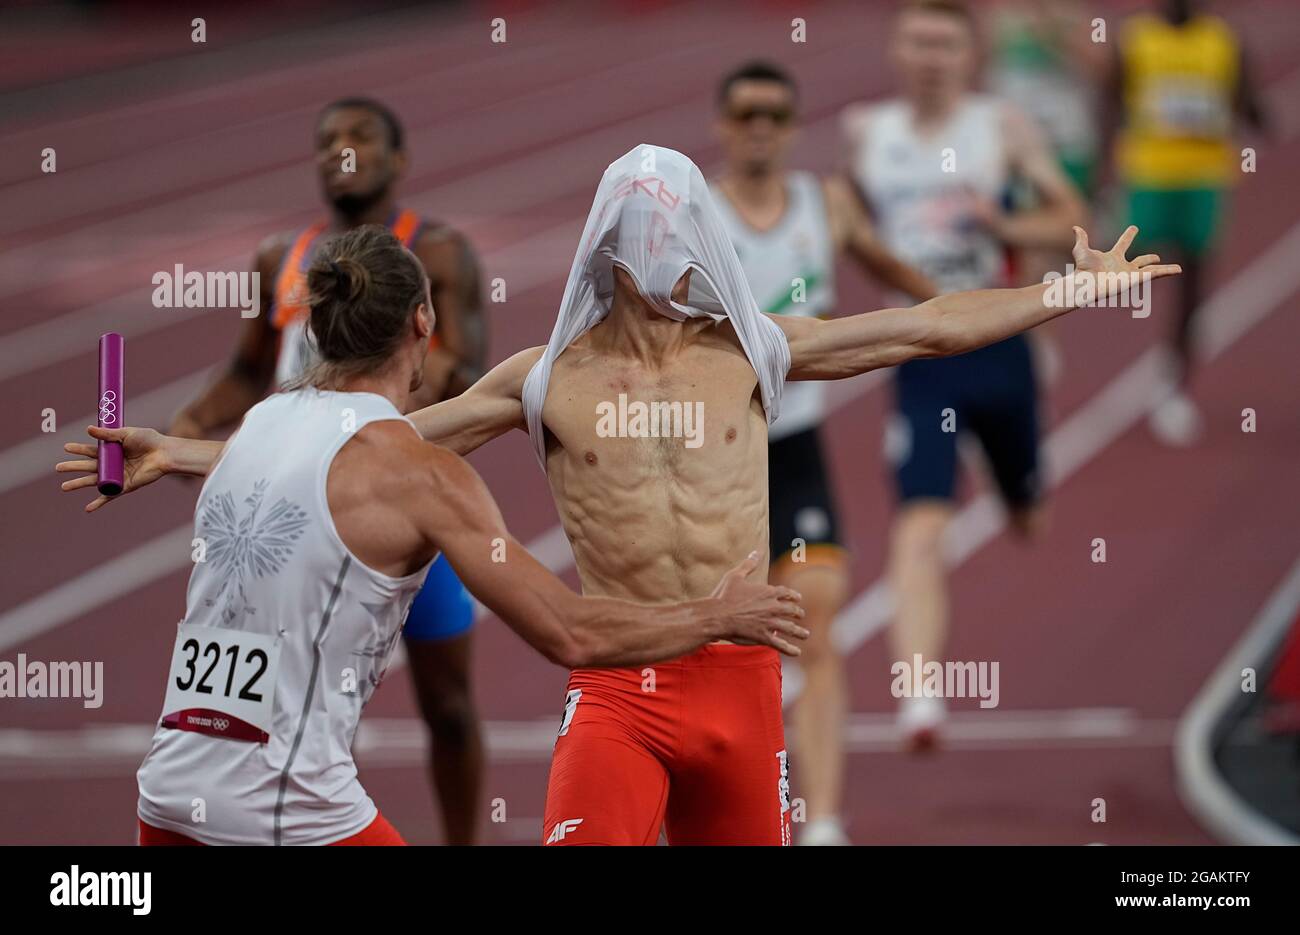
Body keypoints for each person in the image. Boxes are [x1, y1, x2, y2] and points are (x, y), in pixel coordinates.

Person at [84, 145, 1176, 845]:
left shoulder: (752, 351)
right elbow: (359, 449)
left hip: (741, 688)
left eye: (676, 230)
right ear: (605, 246)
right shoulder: (544, 378)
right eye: (642, 232)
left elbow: (925, 325)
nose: (663, 251)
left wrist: (1065, 289)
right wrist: (184, 454)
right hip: (618, 689)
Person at [57, 226, 808, 846]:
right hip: (291, 812)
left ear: (315, 328)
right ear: (424, 321)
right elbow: (570, 632)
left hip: (168, 798)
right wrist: (719, 616)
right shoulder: (421, 476)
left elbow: (306, 461)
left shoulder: (260, 429)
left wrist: (175, 450)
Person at [167, 98, 490, 843]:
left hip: (402, 502)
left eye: (360, 137)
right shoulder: (281, 258)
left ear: (398, 159)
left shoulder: (439, 253)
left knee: (447, 705)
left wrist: (381, 406)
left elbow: (468, 375)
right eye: (327, 140)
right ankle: (305, 811)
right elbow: (246, 371)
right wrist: (189, 423)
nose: (341, 151)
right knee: (293, 699)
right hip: (298, 501)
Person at [841, 0, 1087, 750]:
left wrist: (1003, 225)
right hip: (922, 352)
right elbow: (849, 229)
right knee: (920, 523)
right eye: (918, 41)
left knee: (1029, 520)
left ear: (969, 54)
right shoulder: (866, 134)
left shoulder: (1001, 127)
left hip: (1000, 340)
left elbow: (1072, 216)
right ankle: (920, 698)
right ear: (896, 49)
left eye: (945, 44)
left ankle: (1011, 475)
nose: (930, 56)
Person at [710, 60, 936, 845]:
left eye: (775, 113)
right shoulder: (694, 217)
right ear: (722, 125)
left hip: (795, 453)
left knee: (816, 622)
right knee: (717, 647)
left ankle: (825, 822)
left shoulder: (824, 203)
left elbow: (892, 270)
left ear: (794, 125)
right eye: (746, 113)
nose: (760, 126)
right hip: (715, 464)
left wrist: (971, 314)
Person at [1110, 0, 1268, 445]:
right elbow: (1110, 105)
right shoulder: (1134, 39)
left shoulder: (1224, 42)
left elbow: (1246, 103)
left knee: (1192, 286)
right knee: (1122, 271)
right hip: (1149, 174)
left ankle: (1173, 384)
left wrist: (1255, 115)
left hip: (1204, 178)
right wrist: (1102, 180)